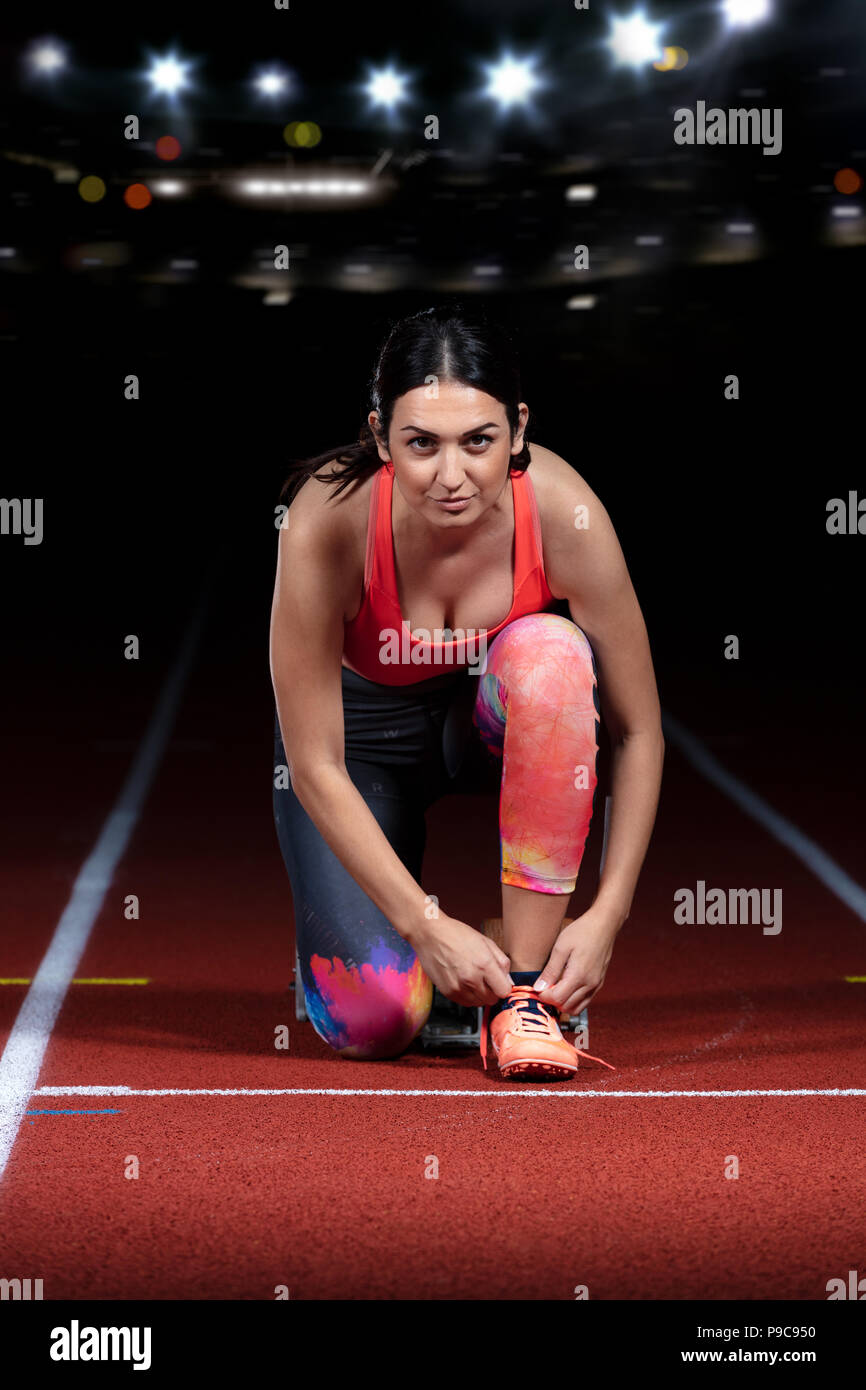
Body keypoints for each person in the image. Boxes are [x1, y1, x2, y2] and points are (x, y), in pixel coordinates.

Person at [269, 304, 664, 1079]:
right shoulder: (325, 522)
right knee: (374, 1019)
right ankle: (405, 949)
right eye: (421, 444)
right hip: (361, 753)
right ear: (380, 435)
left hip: (487, 730)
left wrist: (608, 913)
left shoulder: (564, 511)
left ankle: (523, 992)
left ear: (517, 429)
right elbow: (312, 761)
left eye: (478, 442)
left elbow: (637, 732)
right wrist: (423, 926)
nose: (451, 477)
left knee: (552, 653)